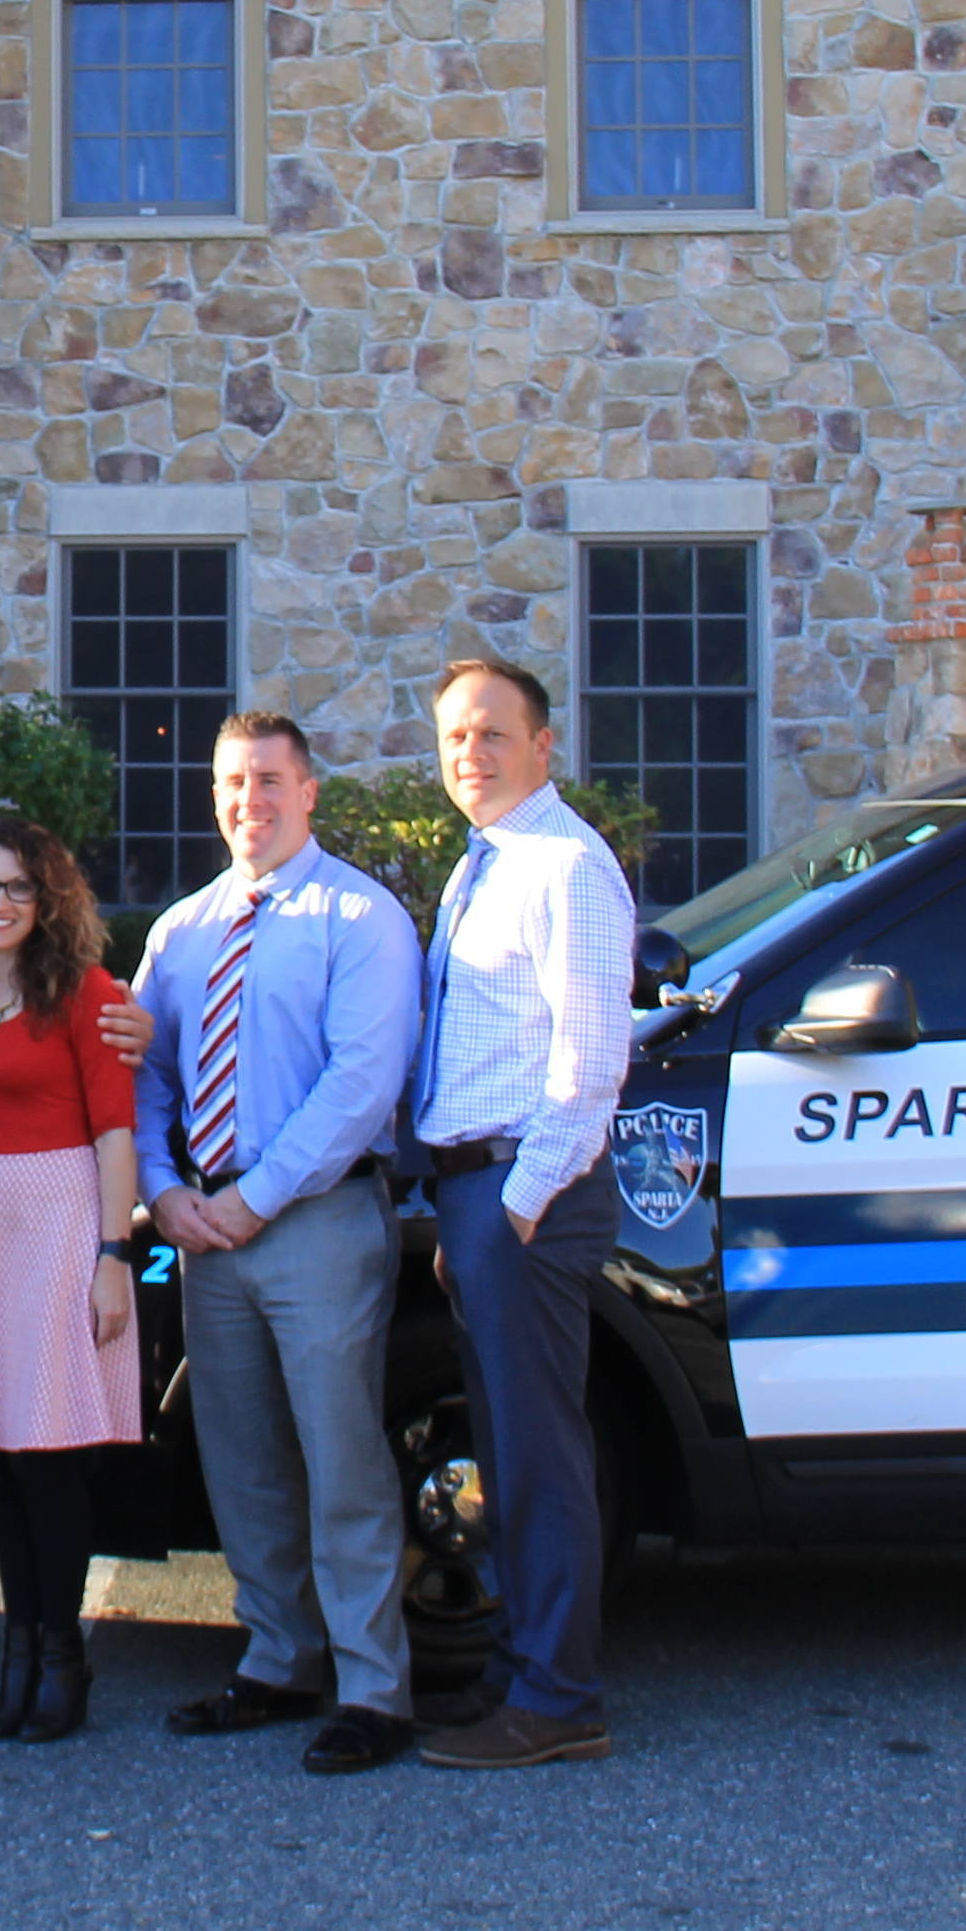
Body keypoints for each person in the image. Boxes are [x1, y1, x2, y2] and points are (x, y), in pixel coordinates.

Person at [132, 711, 427, 1774]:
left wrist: (254, 1198)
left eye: (266, 780)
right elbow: (149, 1078)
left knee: (341, 1454)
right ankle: (276, 1659)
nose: (245, 799)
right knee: (244, 1457)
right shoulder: (183, 930)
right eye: (229, 782)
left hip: (317, 1222)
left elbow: (362, 1084)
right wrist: (166, 1195)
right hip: (207, 1232)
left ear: (308, 792)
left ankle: (374, 1688)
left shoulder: (361, 916)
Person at [406, 654, 638, 1772]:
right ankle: (517, 1671)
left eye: (494, 733)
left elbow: (591, 1065)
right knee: (505, 1447)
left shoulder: (563, 868)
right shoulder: (480, 869)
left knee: (539, 1457)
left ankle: (558, 1697)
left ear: (545, 746)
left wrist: (521, 1207)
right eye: (455, 734)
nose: (471, 752)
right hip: (478, 1192)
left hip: (522, 1191)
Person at [0, 812, 142, 1743]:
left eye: (17, 887)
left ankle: (63, 1659)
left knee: (50, 1462)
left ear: (46, 901)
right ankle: (15, 1656)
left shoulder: (88, 995)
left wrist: (112, 1256)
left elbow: (115, 1132)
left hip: (59, 1220)